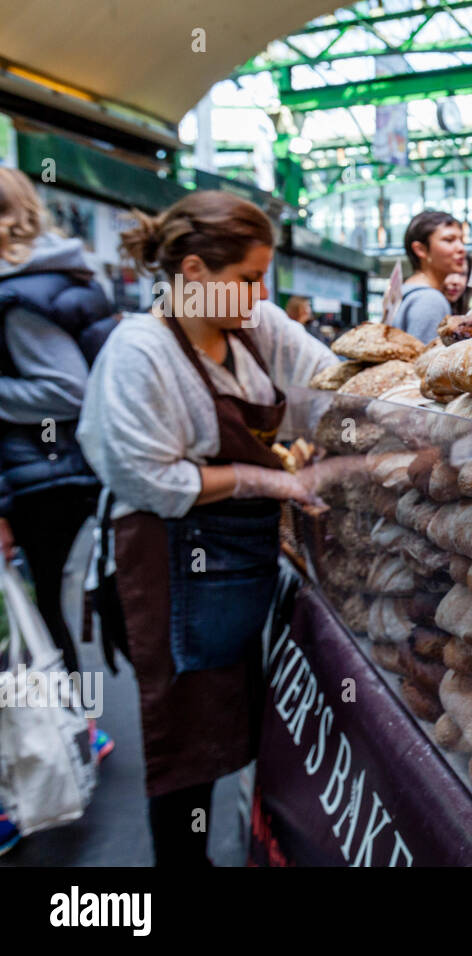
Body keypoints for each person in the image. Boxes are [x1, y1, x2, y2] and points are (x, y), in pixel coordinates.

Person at [77, 190, 337, 867]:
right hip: (167, 567)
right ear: (193, 272)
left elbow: (331, 383)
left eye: (264, 277)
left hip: (237, 565)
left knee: (235, 718)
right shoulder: (140, 352)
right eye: (247, 278)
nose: (260, 292)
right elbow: (153, 481)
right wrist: (273, 481)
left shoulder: (258, 328)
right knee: (190, 744)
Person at [0, 168, 111, 699]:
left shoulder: (19, 295)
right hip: (56, 469)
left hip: (44, 473)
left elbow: (67, 389)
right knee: (45, 604)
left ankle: (69, 727)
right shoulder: (52, 278)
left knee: (40, 610)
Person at [390, 210, 466, 343]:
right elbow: (424, 362)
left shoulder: (407, 290)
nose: (461, 248)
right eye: (449, 240)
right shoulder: (430, 300)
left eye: (461, 240)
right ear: (421, 250)